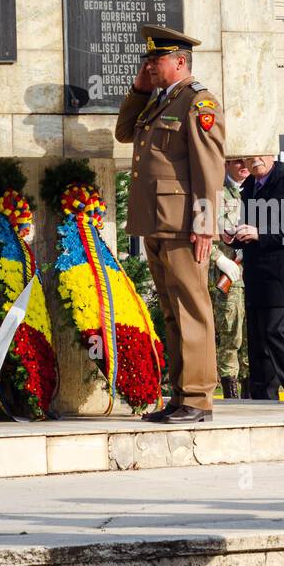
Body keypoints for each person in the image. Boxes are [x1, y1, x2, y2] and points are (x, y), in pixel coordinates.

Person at [115, 24, 225, 424]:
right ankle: (181, 397)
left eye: (155, 60)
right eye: (147, 59)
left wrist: (204, 226)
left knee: (192, 309)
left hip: (184, 226)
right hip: (156, 222)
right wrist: (139, 89)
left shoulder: (199, 103)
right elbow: (124, 132)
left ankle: (198, 399)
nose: (149, 66)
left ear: (180, 62)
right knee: (171, 311)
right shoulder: (158, 100)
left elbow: (209, 169)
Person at [227, 155, 284, 401]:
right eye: (249, 157)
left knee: (274, 332)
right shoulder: (249, 186)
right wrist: (235, 236)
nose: (254, 161)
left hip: (282, 274)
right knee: (257, 340)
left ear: (272, 154)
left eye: (260, 155)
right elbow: (253, 229)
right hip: (257, 273)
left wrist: (260, 233)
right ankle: (263, 400)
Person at [210, 158, 249, 398]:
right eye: (237, 161)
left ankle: (250, 394)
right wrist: (218, 258)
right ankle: (231, 392)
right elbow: (203, 230)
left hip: (253, 273)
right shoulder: (217, 193)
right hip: (229, 276)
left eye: (247, 160)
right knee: (230, 334)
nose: (244, 165)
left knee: (250, 337)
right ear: (225, 164)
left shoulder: (256, 190)